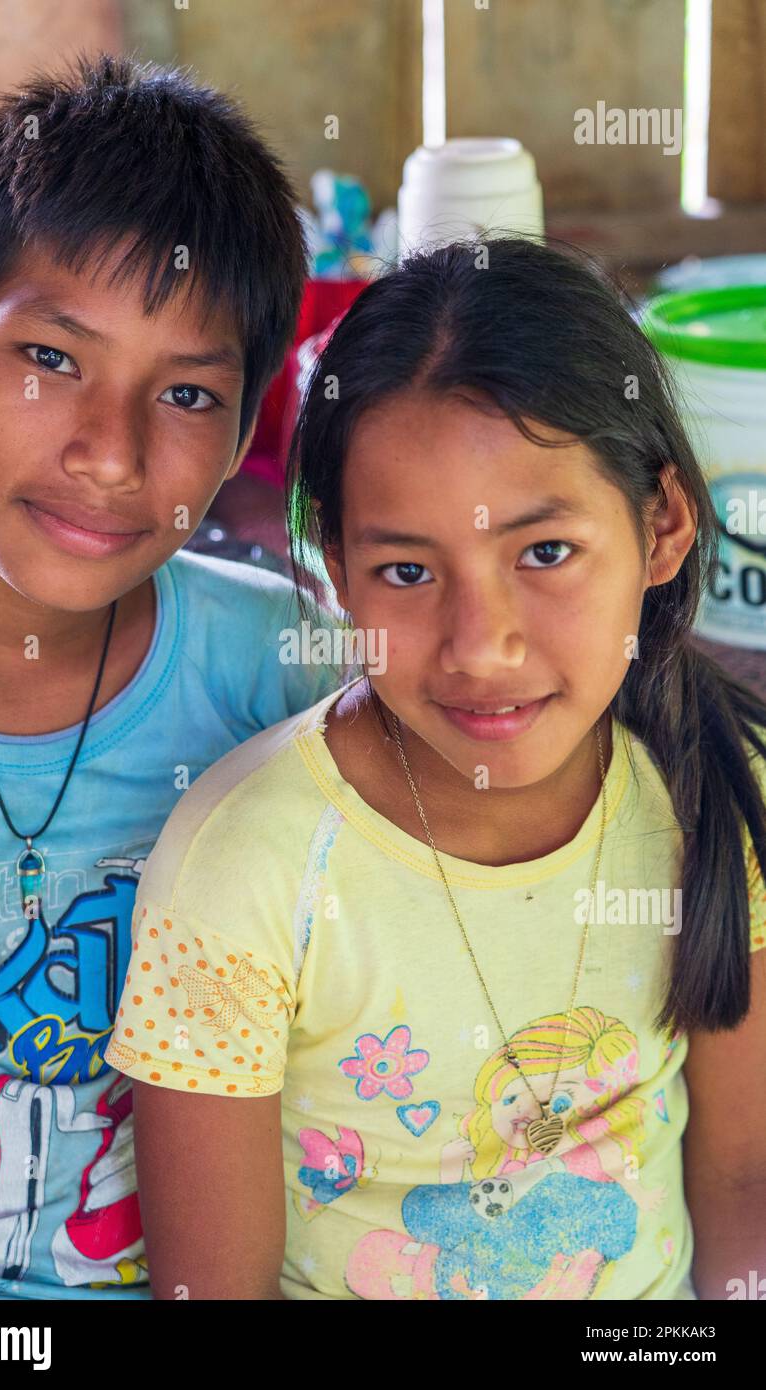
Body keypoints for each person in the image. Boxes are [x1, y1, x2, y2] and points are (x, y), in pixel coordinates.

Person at [107, 235, 766, 1302]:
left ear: (660, 526)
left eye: (542, 552)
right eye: (406, 570)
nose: (479, 644)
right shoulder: (248, 865)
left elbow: (741, 1183)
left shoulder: (717, 789)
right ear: (329, 569)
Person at [0, 52, 342, 1301]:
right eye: (51, 357)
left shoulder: (286, 669)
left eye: (188, 391)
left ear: (248, 420)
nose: (112, 452)